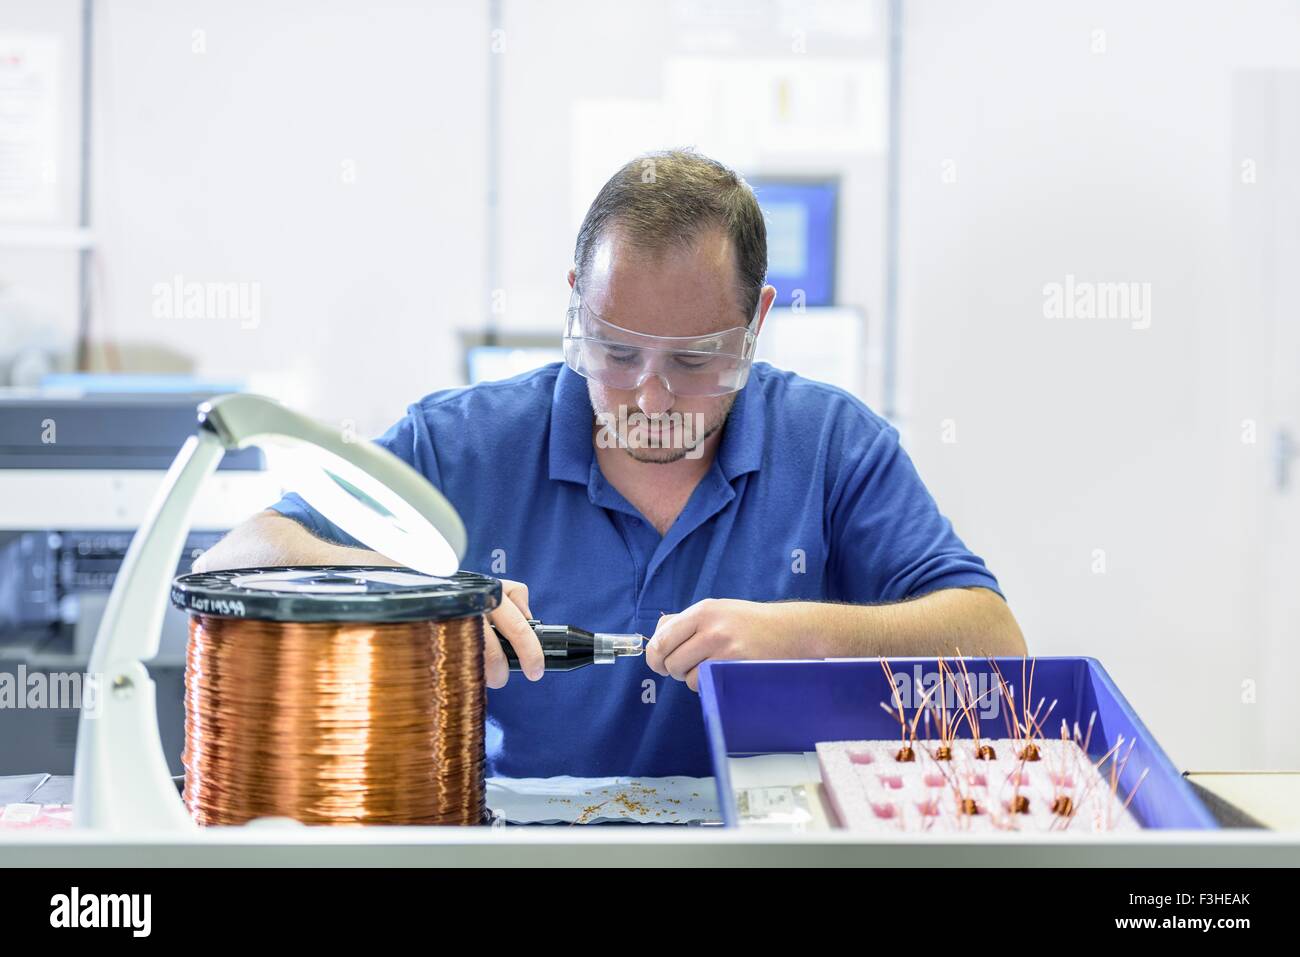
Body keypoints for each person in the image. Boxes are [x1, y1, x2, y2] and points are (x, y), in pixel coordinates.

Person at [195, 149, 1026, 777]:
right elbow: (237, 555)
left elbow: (997, 648)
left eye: (695, 361)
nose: (650, 399)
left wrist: (798, 634)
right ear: (575, 304)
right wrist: (426, 600)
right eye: (616, 350)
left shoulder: (831, 444)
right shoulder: (466, 443)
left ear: (757, 321)